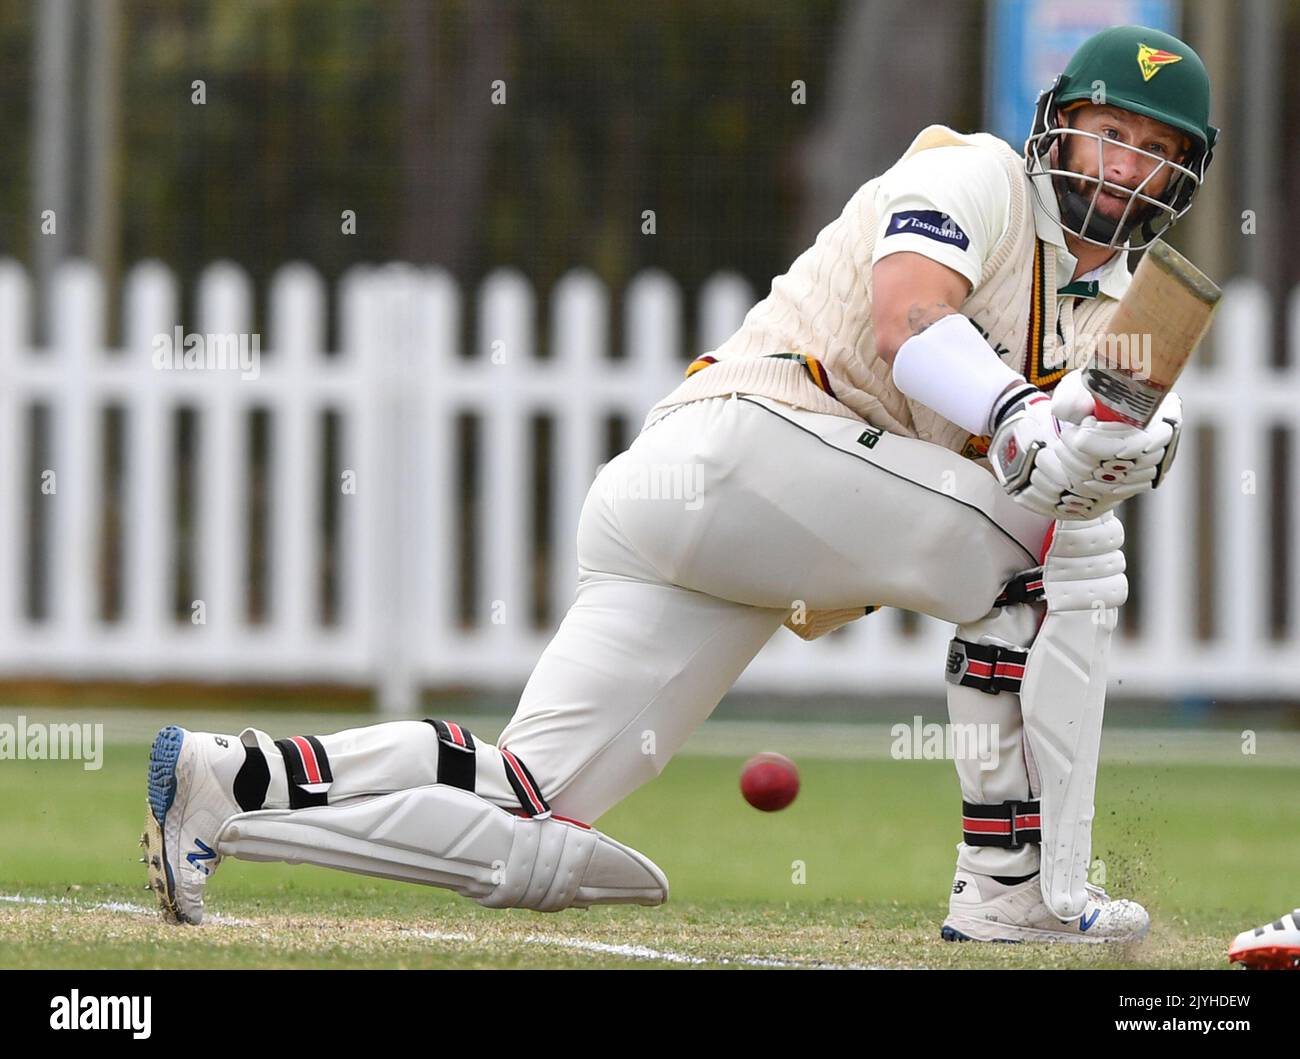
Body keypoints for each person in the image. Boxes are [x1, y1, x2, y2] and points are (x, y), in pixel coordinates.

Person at [143, 25, 1216, 943]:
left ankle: (229, 785)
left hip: (726, 533)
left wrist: (1122, 447)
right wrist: (1023, 422)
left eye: (1154, 151)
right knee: (1049, 561)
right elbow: (910, 322)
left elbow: (1090, 439)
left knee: (532, 807)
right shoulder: (973, 171)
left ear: (1180, 179)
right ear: (1057, 123)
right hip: (745, 448)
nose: (1123, 165)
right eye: (1109, 131)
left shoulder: (1113, 307)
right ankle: (1014, 888)